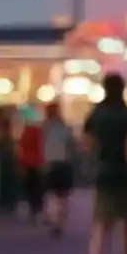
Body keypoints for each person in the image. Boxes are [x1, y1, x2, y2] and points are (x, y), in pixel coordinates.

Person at [82, 73, 127, 254]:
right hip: (126, 175)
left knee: (101, 225)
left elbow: (88, 144)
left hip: (104, 174)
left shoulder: (96, 115)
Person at [41, 101, 75, 237]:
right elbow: (71, 145)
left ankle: (54, 219)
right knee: (62, 195)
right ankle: (59, 221)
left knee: (52, 194)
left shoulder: (44, 128)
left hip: (50, 163)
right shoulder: (64, 127)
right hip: (63, 163)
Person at [17, 106, 45, 223]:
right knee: (37, 188)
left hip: (27, 163)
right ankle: (37, 209)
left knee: (29, 187)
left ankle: (33, 210)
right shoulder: (38, 131)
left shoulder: (25, 132)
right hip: (37, 162)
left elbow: (22, 148)